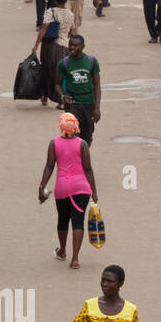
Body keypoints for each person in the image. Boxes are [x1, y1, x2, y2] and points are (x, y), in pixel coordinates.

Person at [38, 112, 98, 269]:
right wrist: (94, 190)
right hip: (81, 188)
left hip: (62, 188)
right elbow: (88, 169)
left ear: (60, 127)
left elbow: (49, 166)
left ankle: (63, 251)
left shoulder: (54, 143)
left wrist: (42, 186)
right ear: (76, 127)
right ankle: (75, 259)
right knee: (78, 221)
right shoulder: (83, 144)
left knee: (63, 220)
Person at [56, 33, 101, 146]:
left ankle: (83, 157)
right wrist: (62, 95)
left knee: (87, 135)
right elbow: (57, 83)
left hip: (88, 103)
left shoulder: (91, 61)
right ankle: (75, 160)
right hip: (72, 104)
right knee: (72, 135)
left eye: (76, 46)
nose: (72, 48)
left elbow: (97, 85)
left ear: (83, 46)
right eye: (70, 45)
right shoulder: (63, 63)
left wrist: (97, 108)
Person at [33, 0, 74, 105]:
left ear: (55, 0)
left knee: (47, 70)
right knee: (61, 73)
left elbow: (44, 27)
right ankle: (61, 100)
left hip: (51, 46)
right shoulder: (70, 14)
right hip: (64, 46)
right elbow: (71, 31)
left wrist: (36, 44)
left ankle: (45, 96)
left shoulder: (50, 12)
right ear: (66, 1)